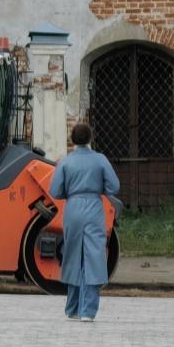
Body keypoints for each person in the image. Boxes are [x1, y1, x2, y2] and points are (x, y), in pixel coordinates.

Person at [48, 121, 120, 323]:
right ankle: (87, 311)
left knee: (72, 255)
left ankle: (72, 307)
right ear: (90, 138)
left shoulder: (66, 162)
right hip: (94, 208)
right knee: (94, 257)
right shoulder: (100, 160)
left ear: (73, 139)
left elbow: (55, 191)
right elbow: (114, 186)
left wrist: (71, 193)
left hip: (72, 209)